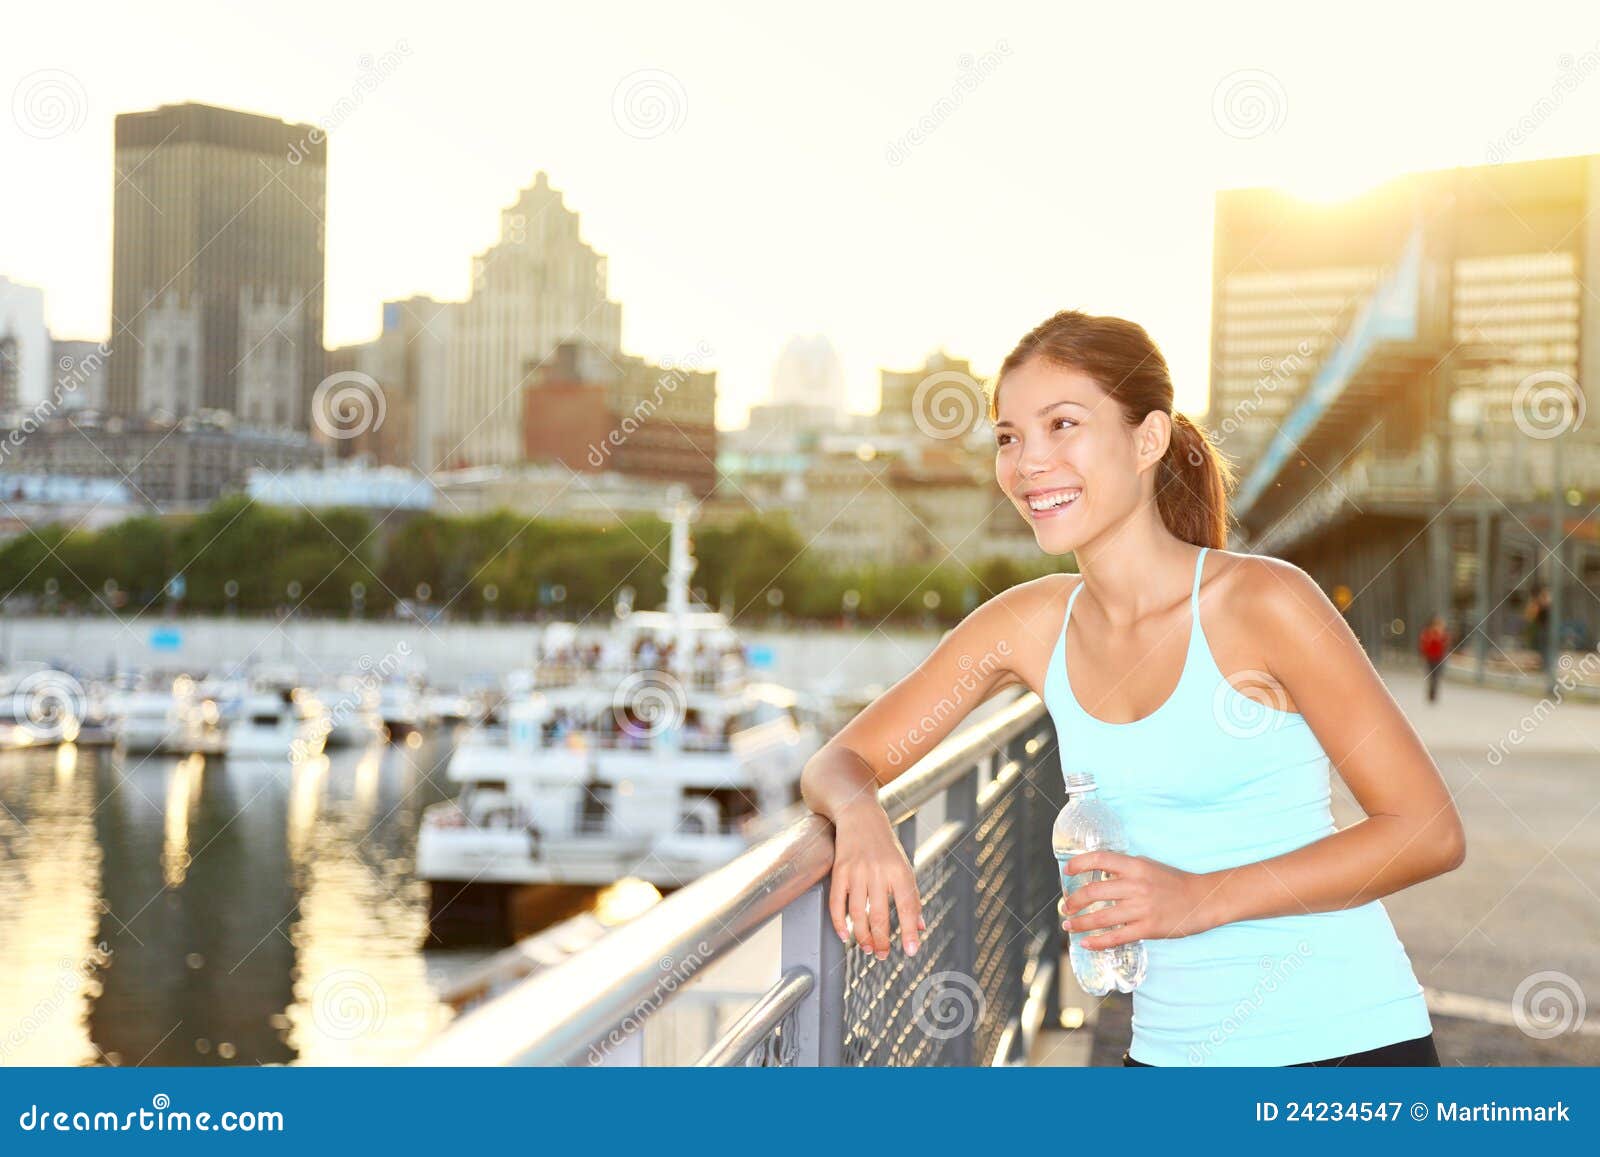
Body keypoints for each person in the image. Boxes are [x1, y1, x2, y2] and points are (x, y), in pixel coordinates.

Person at [799, 309, 1465, 1068]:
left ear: (1148, 440)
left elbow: (1427, 830)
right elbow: (840, 760)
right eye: (1009, 437)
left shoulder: (1264, 601)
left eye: (1062, 425)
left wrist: (1198, 898)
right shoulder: (1027, 625)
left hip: (1344, 1046)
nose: (1028, 462)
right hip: (1166, 1054)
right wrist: (863, 817)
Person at [1418, 615, 1452, 703]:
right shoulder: (1428, 633)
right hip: (1430, 658)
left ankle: (1433, 694)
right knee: (1431, 676)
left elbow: (1445, 645)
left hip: (1439, 658)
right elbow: (1424, 644)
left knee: (1436, 676)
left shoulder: (1443, 634)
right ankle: (1431, 694)